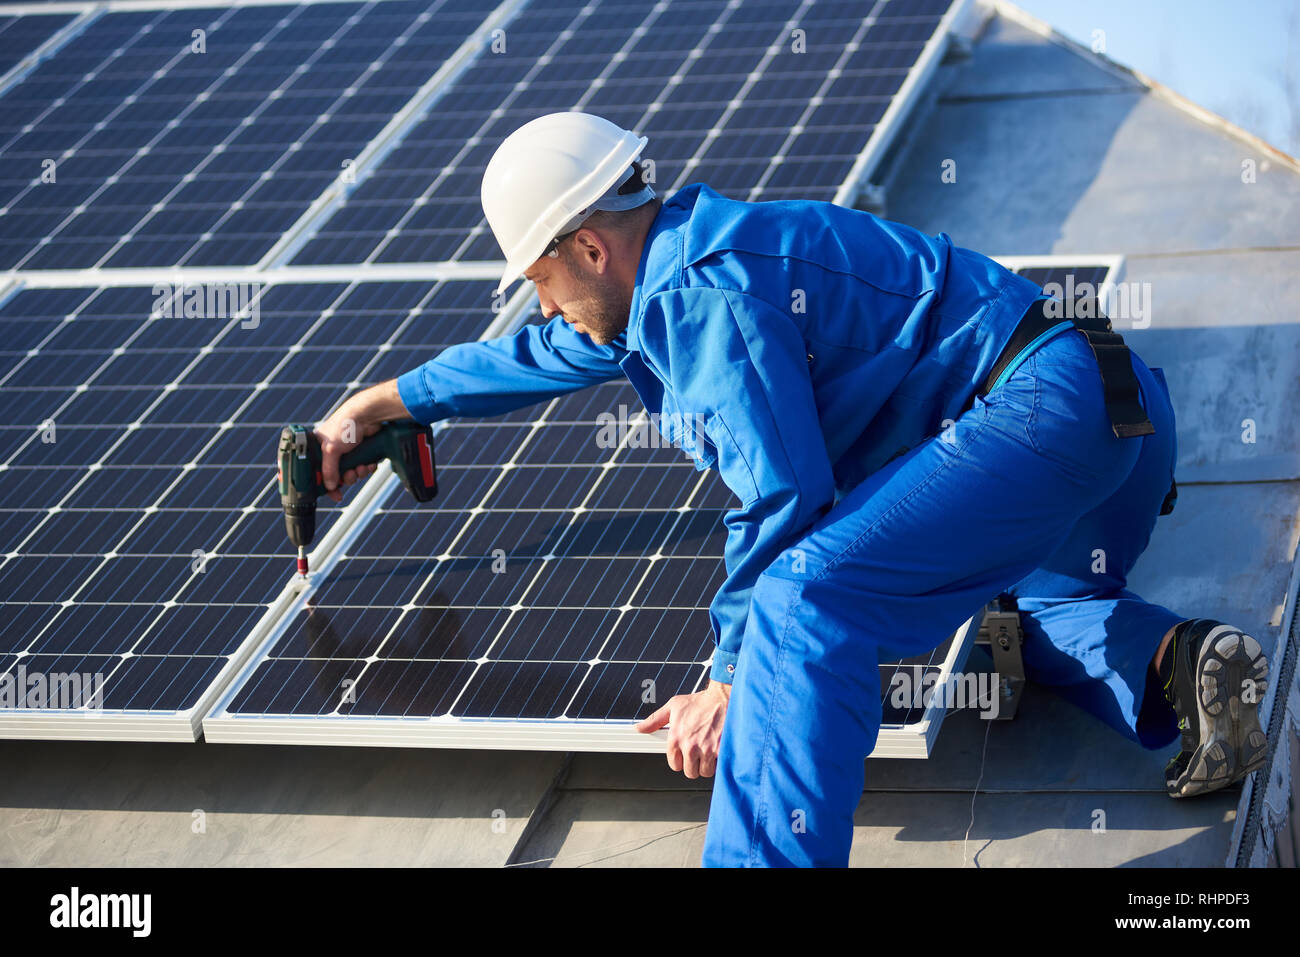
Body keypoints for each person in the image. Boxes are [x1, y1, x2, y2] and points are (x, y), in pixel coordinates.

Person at [313, 112, 1269, 867]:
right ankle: (1177, 663)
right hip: (1114, 415)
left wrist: (732, 676)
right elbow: (538, 353)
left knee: (802, 600)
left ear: (587, 249)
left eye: (541, 280)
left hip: (1036, 413)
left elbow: (782, 497)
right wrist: (387, 403)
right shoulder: (679, 263)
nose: (545, 303)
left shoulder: (700, 295)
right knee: (1009, 609)